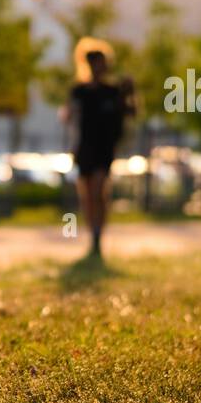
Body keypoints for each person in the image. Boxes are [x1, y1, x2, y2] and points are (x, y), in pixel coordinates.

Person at [62, 48, 135, 258]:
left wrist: (130, 93)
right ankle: (92, 232)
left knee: (98, 189)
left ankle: (97, 235)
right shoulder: (79, 91)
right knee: (86, 194)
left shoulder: (113, 92)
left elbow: (130, 112)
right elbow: (69, 116)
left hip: (104, 148)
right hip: (84, 147)